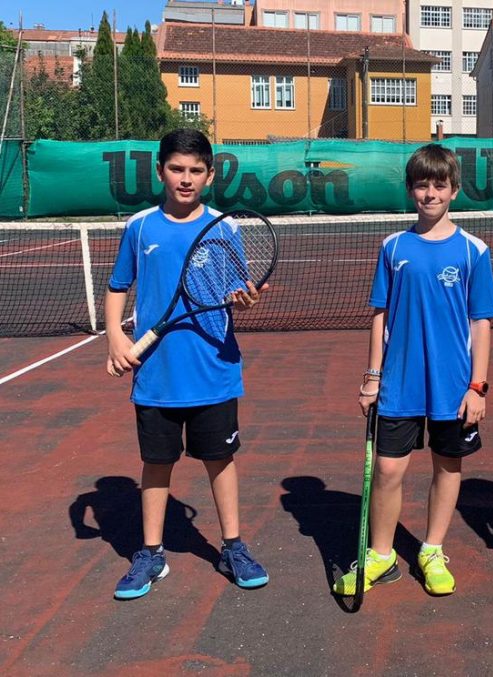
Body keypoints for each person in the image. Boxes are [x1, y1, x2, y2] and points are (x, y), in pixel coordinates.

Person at [105, 128, 269, 600]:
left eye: (196, 170)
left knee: (220, 460)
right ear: (160, 171)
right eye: (177, 168)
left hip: (214, 369)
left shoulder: (225, 227)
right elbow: (118, 286)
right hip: (157, 375)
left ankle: (233, 547)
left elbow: (236, 290)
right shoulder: (140, 227)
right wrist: (115, 336)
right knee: (156, 464)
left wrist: (246, 299)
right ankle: (151, 553)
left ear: (210, 175)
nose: (185, 178)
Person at [334, 144, 493, 598]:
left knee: (447, 467)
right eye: (422, 185)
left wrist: (478, 387)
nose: (430, 194)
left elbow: (481, 322)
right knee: (388, 470)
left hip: (453, 385)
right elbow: (380, 315)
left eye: (439, 185)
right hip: (399, 382)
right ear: (410, 190)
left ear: (454, 190)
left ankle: (431, 550)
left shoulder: (473, 251)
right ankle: (381, 555)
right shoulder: (393, 247)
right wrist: (372, 377)